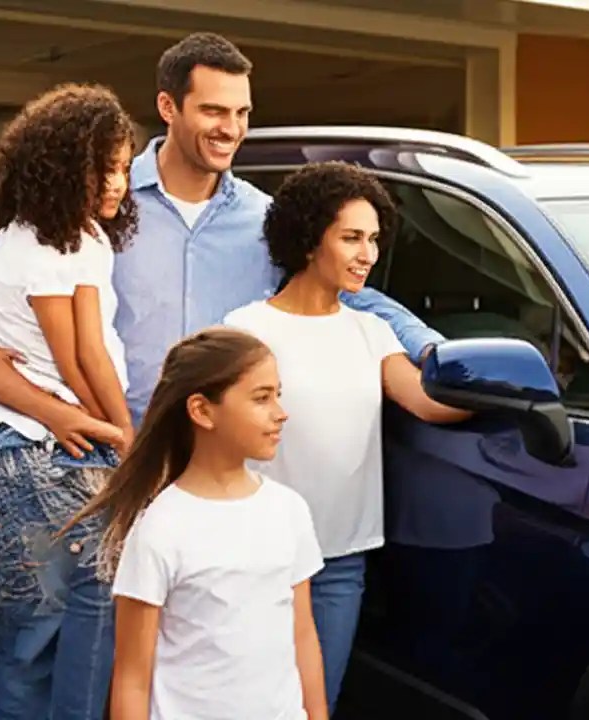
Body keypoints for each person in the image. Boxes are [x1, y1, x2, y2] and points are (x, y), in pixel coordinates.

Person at [0, 31, 441, 712]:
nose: (230, 129)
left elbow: (350, 295)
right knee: (51, 657)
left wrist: (432, 352)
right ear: (168, 107)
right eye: (213, 111)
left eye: (242, 113)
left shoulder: (266, 223)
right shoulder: (101, 193)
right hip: (108, 468)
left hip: (207, 486)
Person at [0, 83, 138, 720]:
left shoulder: (88, 240)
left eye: (123, 169)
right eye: (106, 169)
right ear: (63, 170)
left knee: (30, 637)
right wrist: (107, 430)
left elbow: (87, 347)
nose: (118, 184)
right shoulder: (6, 252)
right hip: (10, 453)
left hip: (54, 444)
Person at [223, 160, 472, 713]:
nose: (368, 254)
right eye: (352, 238)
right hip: (257, 561)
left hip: (340, 563)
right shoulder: (246, 331)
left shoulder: (371, 329)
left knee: (317, 709)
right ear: (310, 238)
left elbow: (426, 401)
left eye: (375, 239)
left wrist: (512, 390)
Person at [61, 328, 329, 720]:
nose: (280, 412)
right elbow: (132, 677)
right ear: (202, 410)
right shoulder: (160, 529)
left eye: (278, 394)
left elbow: (302, 635)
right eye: (261, 398)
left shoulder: (289, 509)